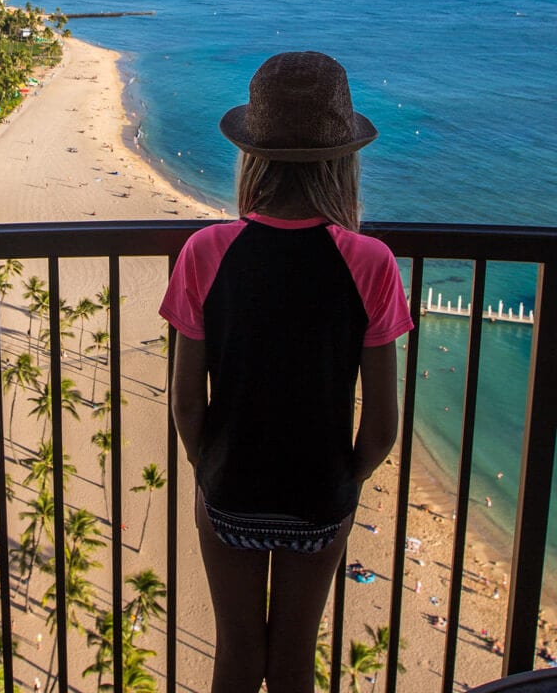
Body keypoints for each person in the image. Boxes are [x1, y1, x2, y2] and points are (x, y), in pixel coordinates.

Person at [160, 52, 413, 693]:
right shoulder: (372, 262)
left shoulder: (206, 251)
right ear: (342, 160)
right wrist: (340, 478)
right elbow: (382, 427)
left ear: (253, 157)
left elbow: (187, 402)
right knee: (296, 660)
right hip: (319, 497)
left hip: (231, 487)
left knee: (237, 656)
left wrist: (210, 467)